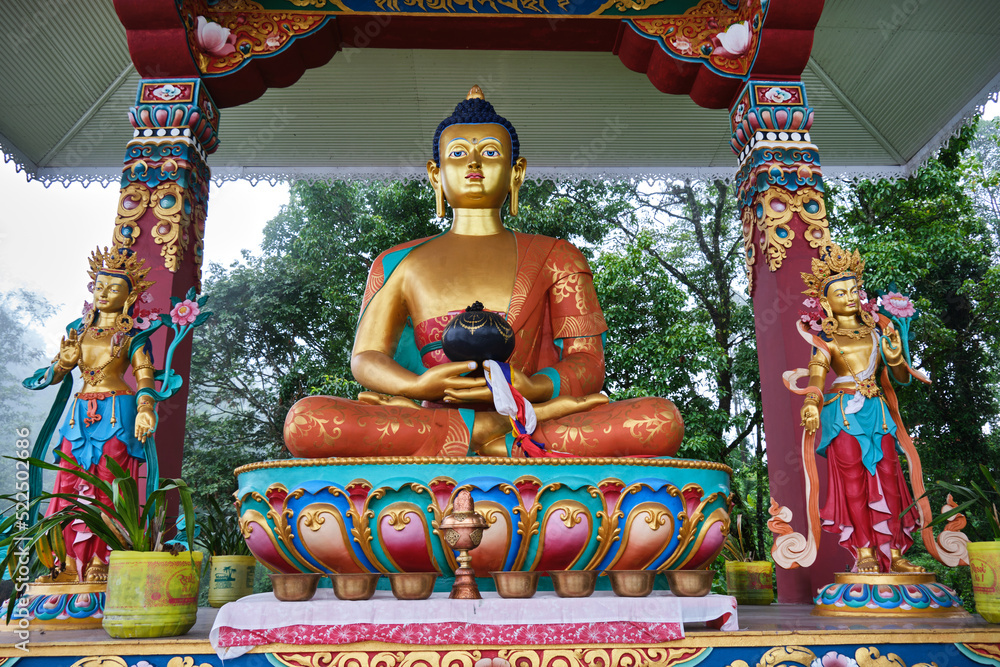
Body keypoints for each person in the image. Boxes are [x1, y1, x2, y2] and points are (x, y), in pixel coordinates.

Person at [283, 86, 684, 459]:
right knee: (306, 421)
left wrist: (533, 387)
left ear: (516, 172)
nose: (473, 164)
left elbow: (587, 363)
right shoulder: (397, 263)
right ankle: (488, 434)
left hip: (521, 413)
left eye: (490, 153)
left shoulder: (557, 256)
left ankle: (487, 432)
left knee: (659, 420)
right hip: (434, 413)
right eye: (457, 154)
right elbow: (366, 358)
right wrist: (416, 386)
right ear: (436, 174)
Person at [25, 247, 157, 582]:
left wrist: (145, 408)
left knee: (109, 484)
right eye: (100, 286)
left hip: (117, 411)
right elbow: (55, 375)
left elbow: (144, 374)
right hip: (79, 413)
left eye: (114, 289)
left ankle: (103, 558)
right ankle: (66, 563)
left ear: (130, 297)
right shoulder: (77, 329)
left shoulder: (133, 335)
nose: (104, 293)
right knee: (67, 482)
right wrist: (63, 364)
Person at [798, 244, 924, 574]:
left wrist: (896, 355)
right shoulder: (826, 341)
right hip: (842, 413)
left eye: (854, 289)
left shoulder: (877, 331)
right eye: (841, 292)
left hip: (877, 410)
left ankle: (895, 552)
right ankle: (865, 549)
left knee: (890, 478)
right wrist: (811, 404)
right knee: (852, 479)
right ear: (826, 302)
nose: (851, 297)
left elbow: (897, 377)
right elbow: (816, 376)